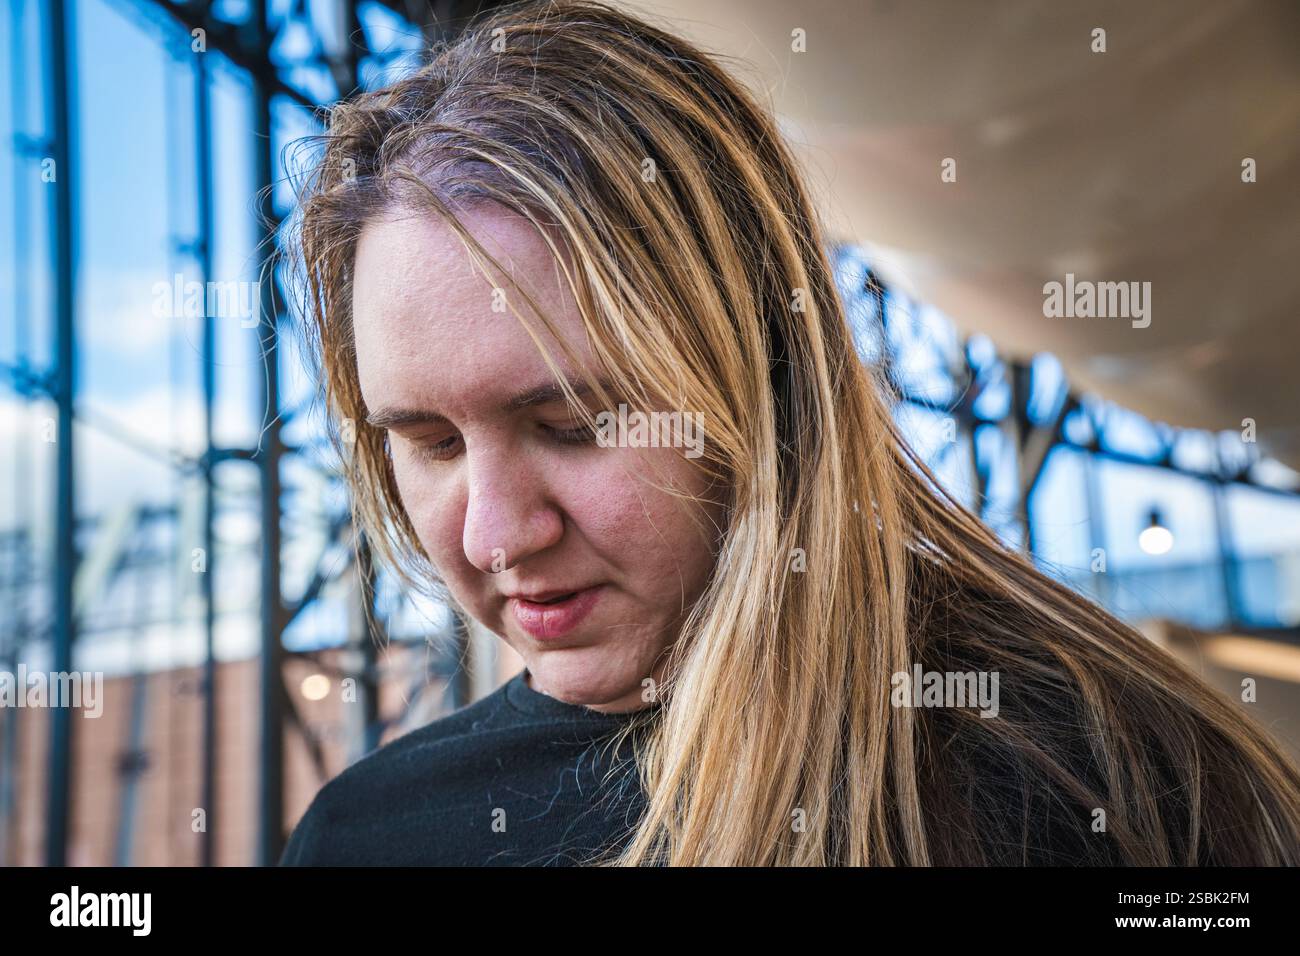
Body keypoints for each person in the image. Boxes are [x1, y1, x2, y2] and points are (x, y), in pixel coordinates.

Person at [279, 0, 1300, 865]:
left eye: (574, 424)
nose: (498, 535)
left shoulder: (1098, 776)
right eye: (432, 444)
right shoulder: (368, 833)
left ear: (763, 379)